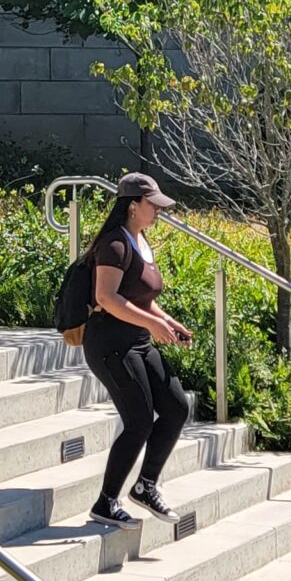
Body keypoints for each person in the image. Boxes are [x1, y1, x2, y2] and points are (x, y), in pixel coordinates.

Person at [81, 170, 197, 527]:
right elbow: (106, 297)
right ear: (133, 206)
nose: (158, 211)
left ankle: (146, 485)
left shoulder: (140, 240)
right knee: (139, 421)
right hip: (110, 344)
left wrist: (168, 321)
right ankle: (106, 502)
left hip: (138, 341)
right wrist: (152, 324)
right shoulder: (114, 244)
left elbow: (140, 297)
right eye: (153, 205)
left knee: (176, 407)